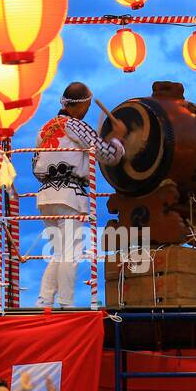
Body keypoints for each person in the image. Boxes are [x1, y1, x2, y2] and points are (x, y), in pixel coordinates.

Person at [32, 81, 127, 308]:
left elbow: (35, 165)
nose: (86, 110)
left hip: (46, 196)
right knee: (71, 253)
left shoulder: (43, 129)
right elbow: (107, 154)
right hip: (70, 195)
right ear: (77, 106)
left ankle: (44, 300)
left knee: (60, 252)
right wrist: (119, 139)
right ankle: (66, 303)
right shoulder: (76, 125)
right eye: (85, 105)